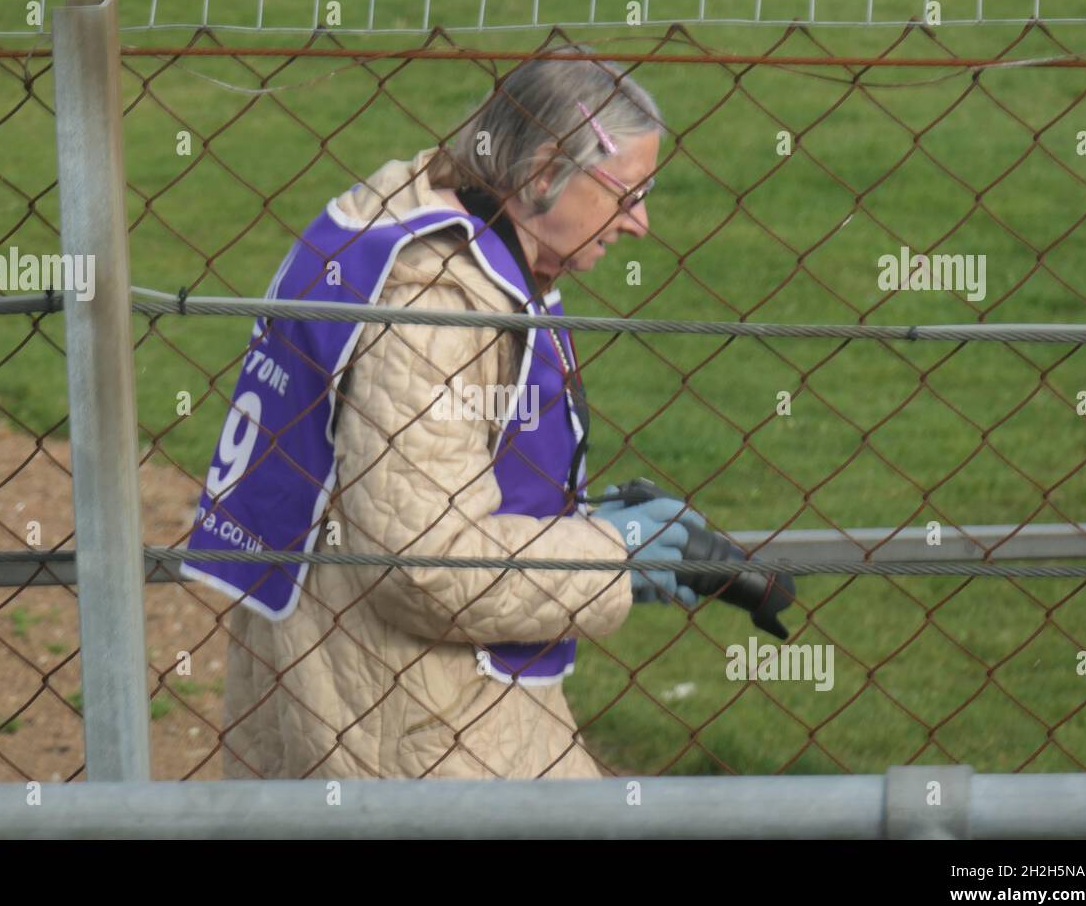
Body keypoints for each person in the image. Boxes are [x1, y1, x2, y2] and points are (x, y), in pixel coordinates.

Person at [181, 46, 707, 780]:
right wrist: (609, 557)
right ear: (545, 172)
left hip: (341, 675)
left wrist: (584, 519)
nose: (641, 222)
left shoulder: (414, 229)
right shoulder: (435, 307)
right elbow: (421, 567)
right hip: (416, 724)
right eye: (625, 193)